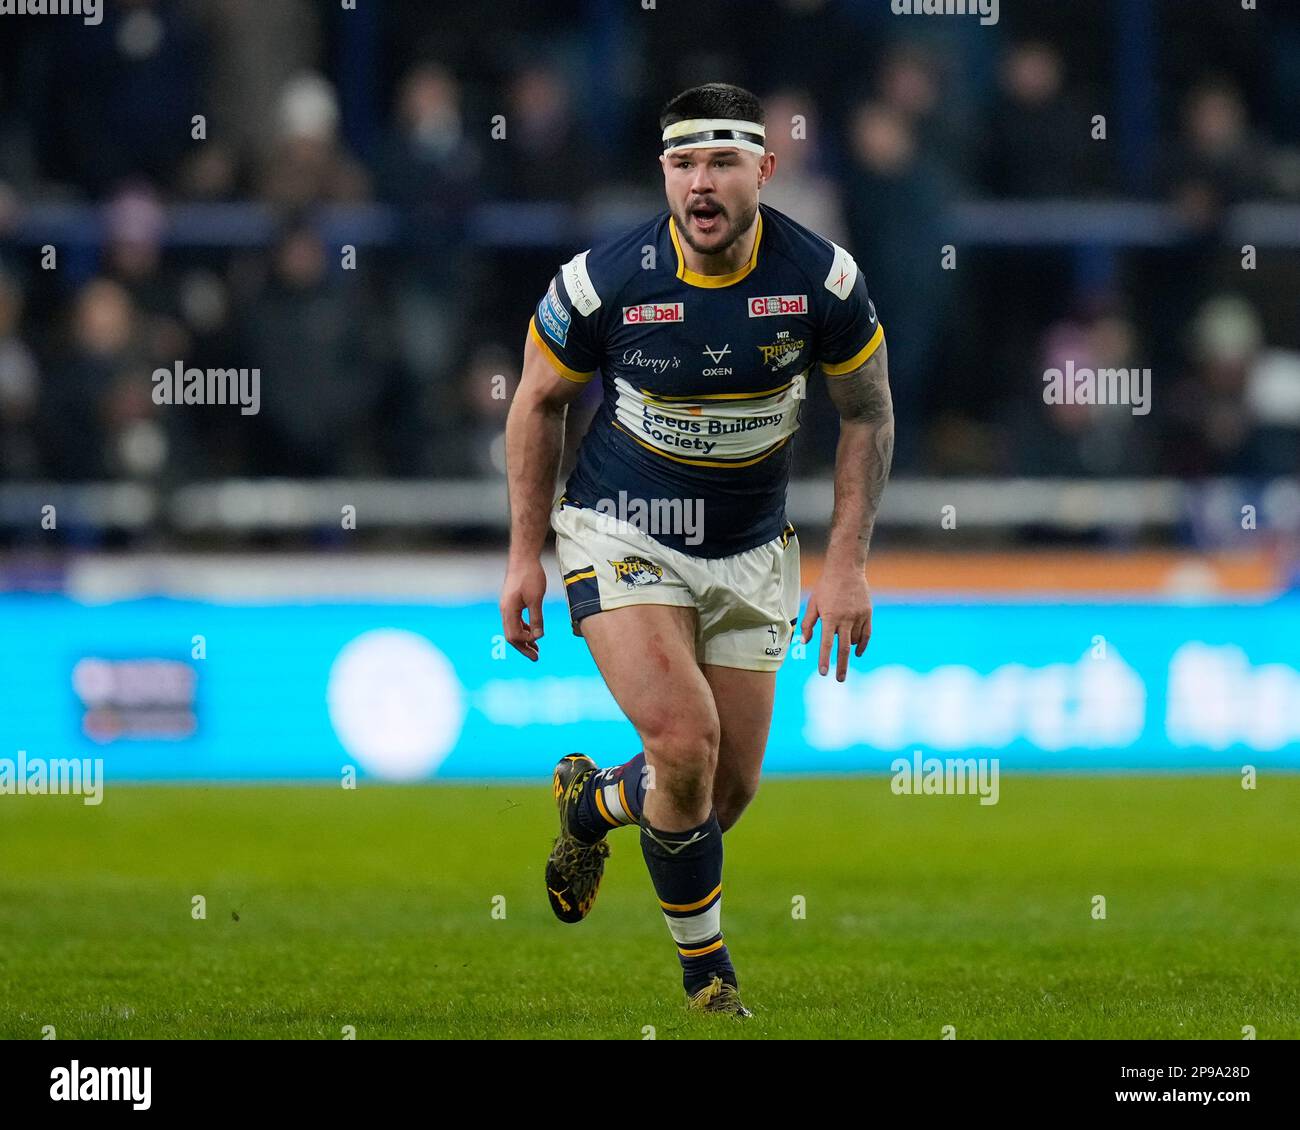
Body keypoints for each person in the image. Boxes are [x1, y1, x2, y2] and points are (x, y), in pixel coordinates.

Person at [500, 83, 893, 1017]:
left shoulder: (823, 281)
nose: (701, 185)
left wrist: (847, 567)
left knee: (720, 792)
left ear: (765, 169)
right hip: (620, 525)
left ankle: (591, 806)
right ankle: (709, 981)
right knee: (682, 740)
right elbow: (537, 402)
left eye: (721, 163)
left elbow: (868, 413)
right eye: (683, 165)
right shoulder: (603, 281)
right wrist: (523, 554)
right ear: (663, 175)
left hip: (753, 545)